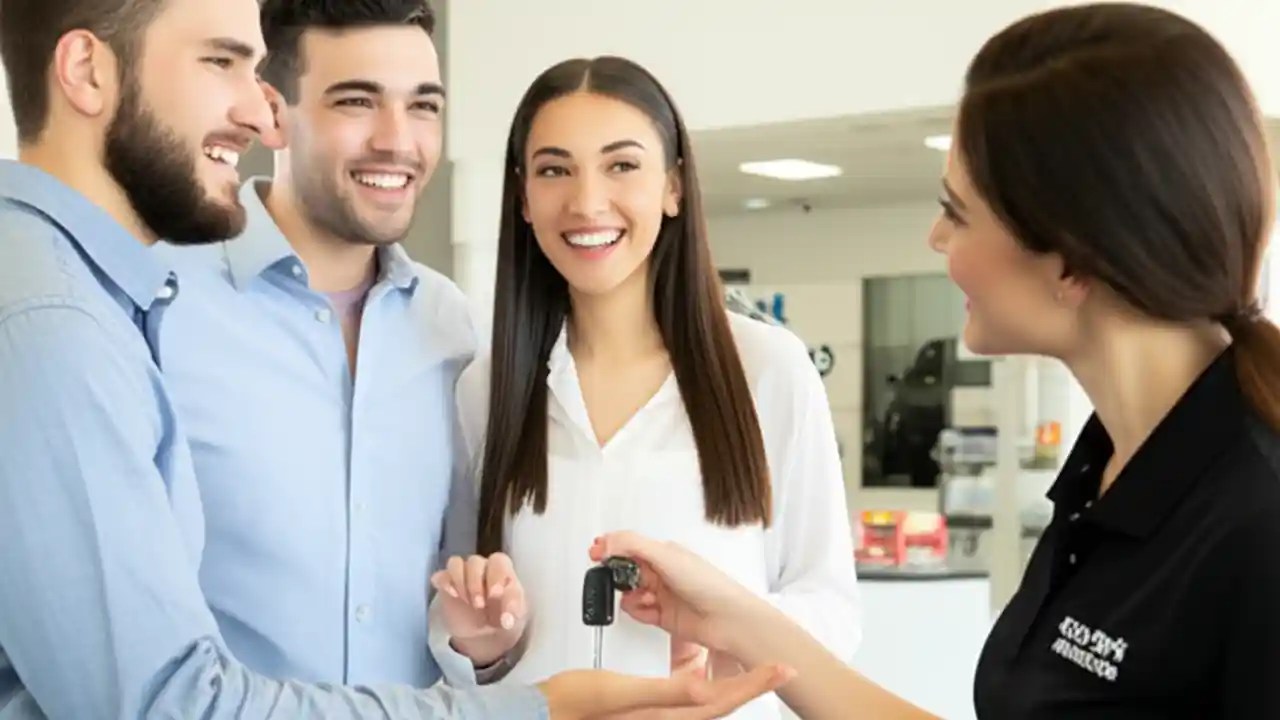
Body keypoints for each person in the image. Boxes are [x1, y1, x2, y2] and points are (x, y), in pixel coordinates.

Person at [0, 0, 790, 717]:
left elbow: (449, 619)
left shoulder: (455, 335)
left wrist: (489, 641)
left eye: (424, 107)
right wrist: (541, 708)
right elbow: (134, 686)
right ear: (275, 114)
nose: (397, 140)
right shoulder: (146, 304)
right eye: (355, 102)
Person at [590, 4, 1280, 719]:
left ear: (1073, 260)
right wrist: (740, 620)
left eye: (957, 211)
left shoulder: (1256, 523)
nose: (936, 237)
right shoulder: (1105, 473)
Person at [426, 56, 861, 719]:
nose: (586, 201)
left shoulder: (768, 370)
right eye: (554, 170)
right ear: (522, 197)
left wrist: (734, 634)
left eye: (621, 165)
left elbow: (831, 606)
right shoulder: (485, 389)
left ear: (674, 186)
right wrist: (485, 644)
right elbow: (459, 622)